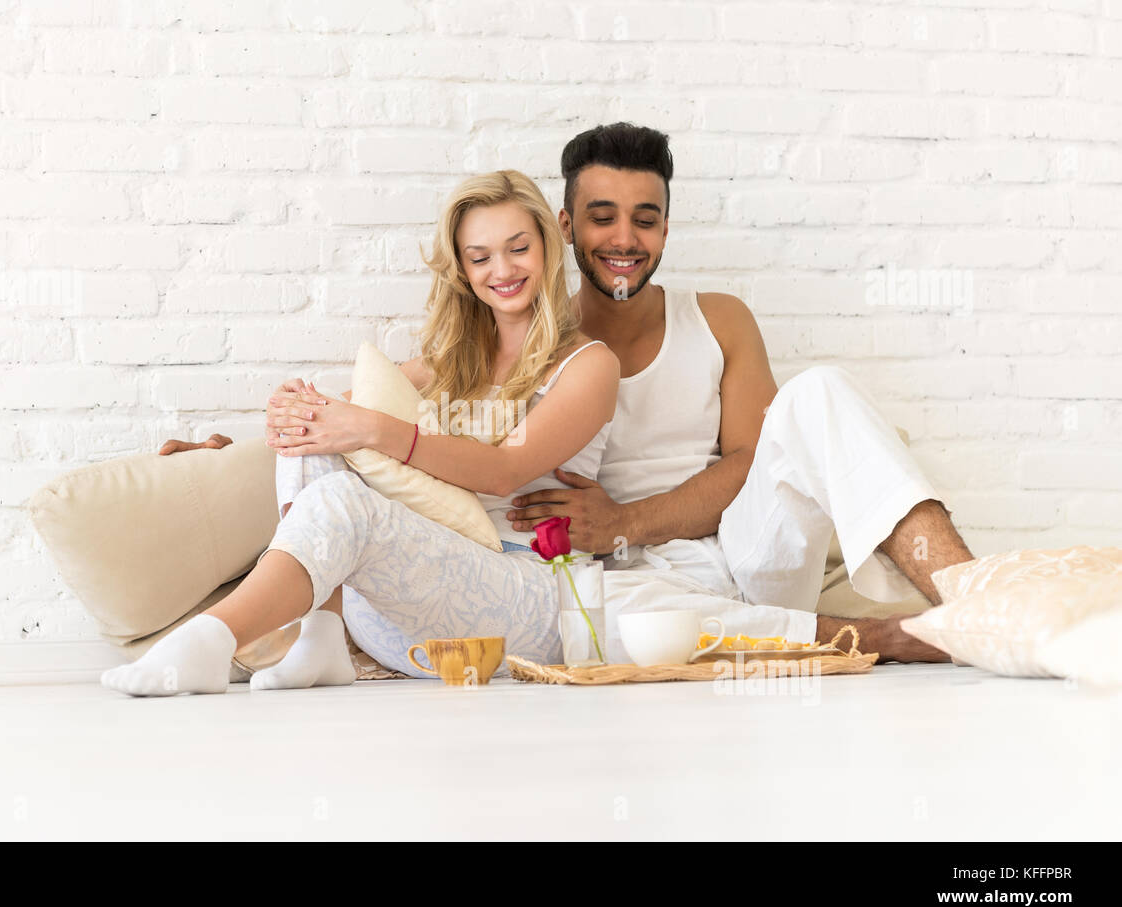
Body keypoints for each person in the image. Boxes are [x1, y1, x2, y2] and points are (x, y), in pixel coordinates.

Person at [101, 169, 620, 697]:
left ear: (548, 247)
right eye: (481, 257)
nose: (502, 270)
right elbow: (329, 424)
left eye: (518, 249)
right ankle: (321, 639)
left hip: (532, 610)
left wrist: (374, 429)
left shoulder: (589, 366)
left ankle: (209, 640)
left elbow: (504, 470)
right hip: (402, 624)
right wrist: (234, 445)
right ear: (462, 270)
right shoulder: (451, 362)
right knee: (313, 425)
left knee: (348, 491)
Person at [501, 122, 971, 663]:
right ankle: (885, 638)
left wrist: (625, 523)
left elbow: (754, 461)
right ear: (565, 225)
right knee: (597, 621)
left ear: (666, 229)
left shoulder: (719, 319)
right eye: (602, 218)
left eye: (645, 221)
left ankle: (978, 603)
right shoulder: (530, 338)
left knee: (819, 389)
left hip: (743, 556)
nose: (625, 239)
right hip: (631, 585)